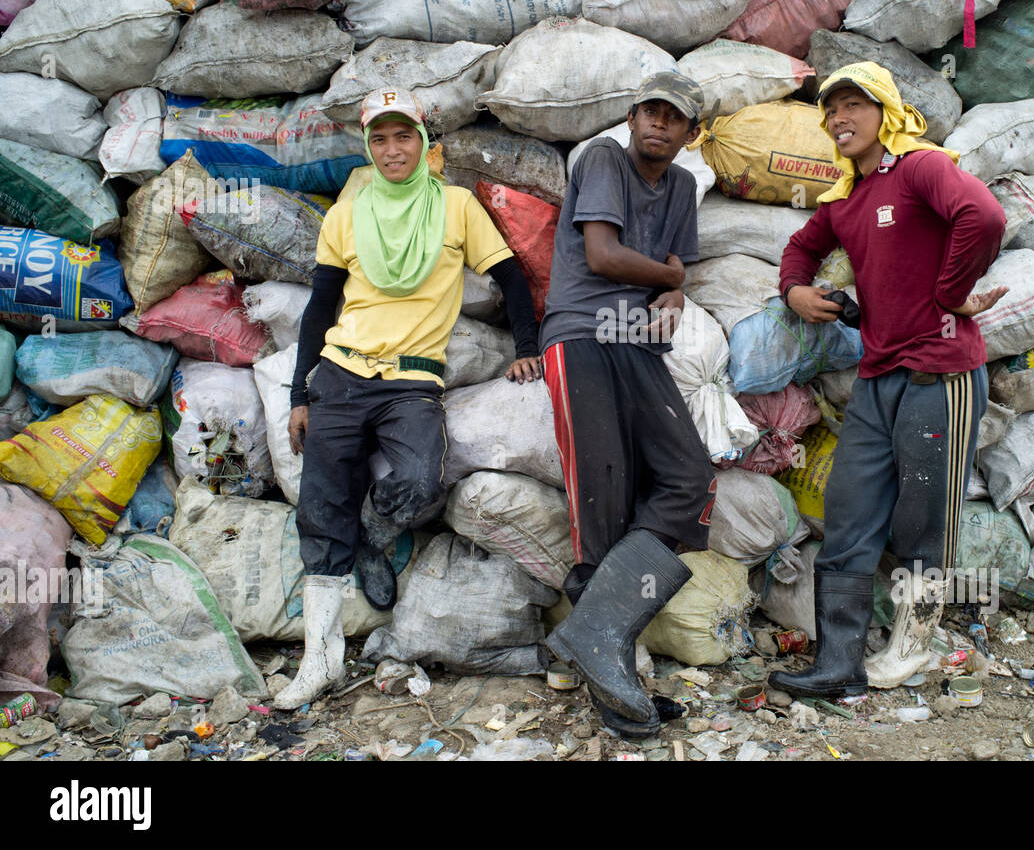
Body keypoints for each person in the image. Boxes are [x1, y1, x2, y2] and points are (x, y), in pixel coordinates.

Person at [274, 87, 542, 710]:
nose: (392, 150)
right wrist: (299, 394)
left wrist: (527, 344)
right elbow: (318, 310)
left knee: (423, 479)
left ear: (424, 142)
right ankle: (319, 661)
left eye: (404, 137)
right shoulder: (346, 214)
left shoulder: (455, 206)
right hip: (339, 375)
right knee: (319, 505)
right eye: (380, 139)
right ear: (367, 147)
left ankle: (373, 532)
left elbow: (511, 279)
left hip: (413, 382)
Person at [768, 61, 1008, 697]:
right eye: (830, 110)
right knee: (849, 514)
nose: (838, 118)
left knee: (924, 518)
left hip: (940, 377)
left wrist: (951, 294)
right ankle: (838, 660)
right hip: (877, 379)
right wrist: (794, 291)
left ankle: (915, 645)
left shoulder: (920, 167)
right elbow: (800, 247)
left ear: (887, 112)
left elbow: (982, 217)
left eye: (853, 105)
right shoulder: (845, 198)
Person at [540, 71, 717, 738]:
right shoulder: (603, 158)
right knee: (605, 498)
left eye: (673, 118)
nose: (658, 124)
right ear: (631, 114)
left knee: (688, 476)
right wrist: (668, 276)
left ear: (690, 133)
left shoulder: (683, 188)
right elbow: (605, 255)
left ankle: (599, 636)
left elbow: (677, 274)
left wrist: (674, 294)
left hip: (640, 346)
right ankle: (614, 678)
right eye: (650, 111)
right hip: (582, 335)